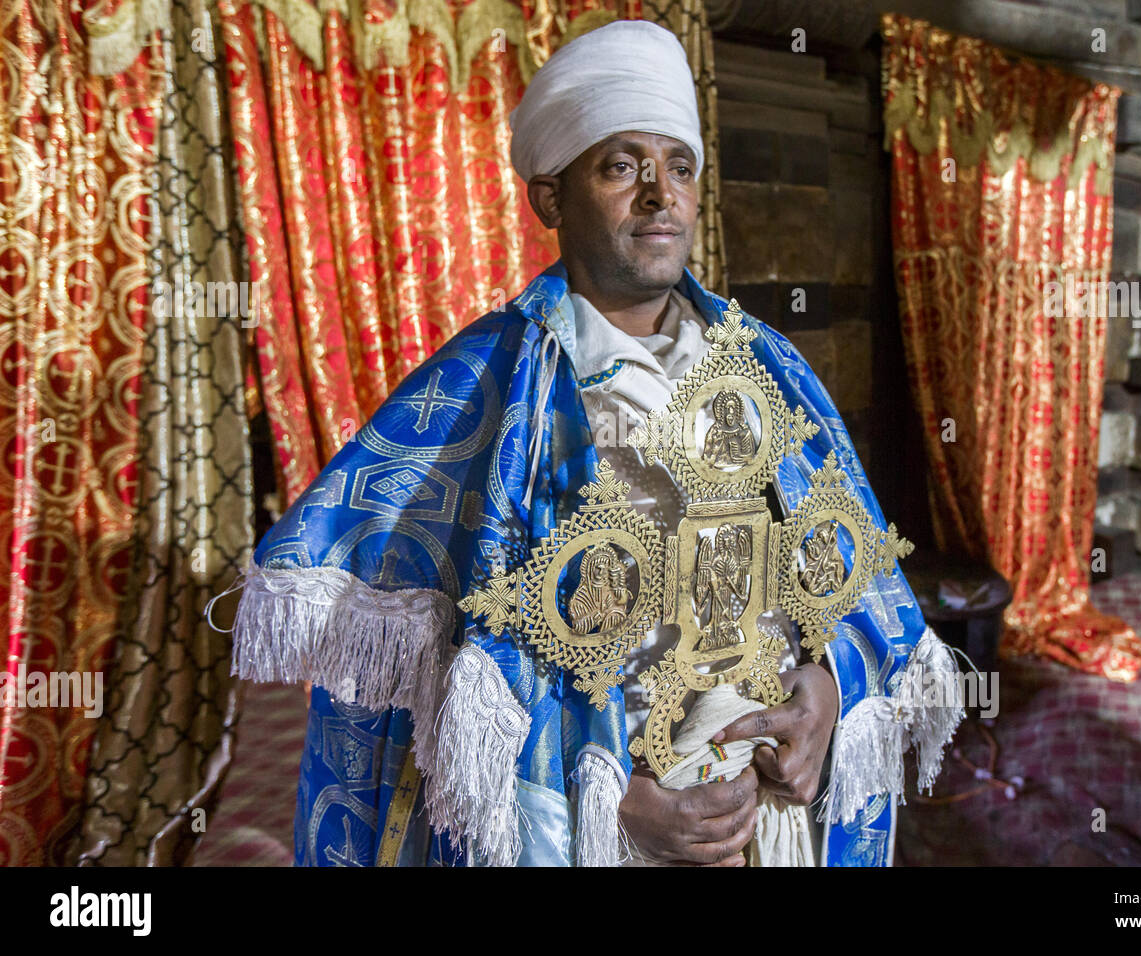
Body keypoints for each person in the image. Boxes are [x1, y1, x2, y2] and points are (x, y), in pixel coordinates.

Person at [223, 19, 960, 867]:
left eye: (678, 167)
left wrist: (828, 694)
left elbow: (864, 592)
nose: (661, 195)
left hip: (771, 824)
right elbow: (451, 686)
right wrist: (615, 802)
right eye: (621, 166)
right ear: (549, 198)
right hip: (592, 838)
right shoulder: (482, 390)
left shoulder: (769, 369)